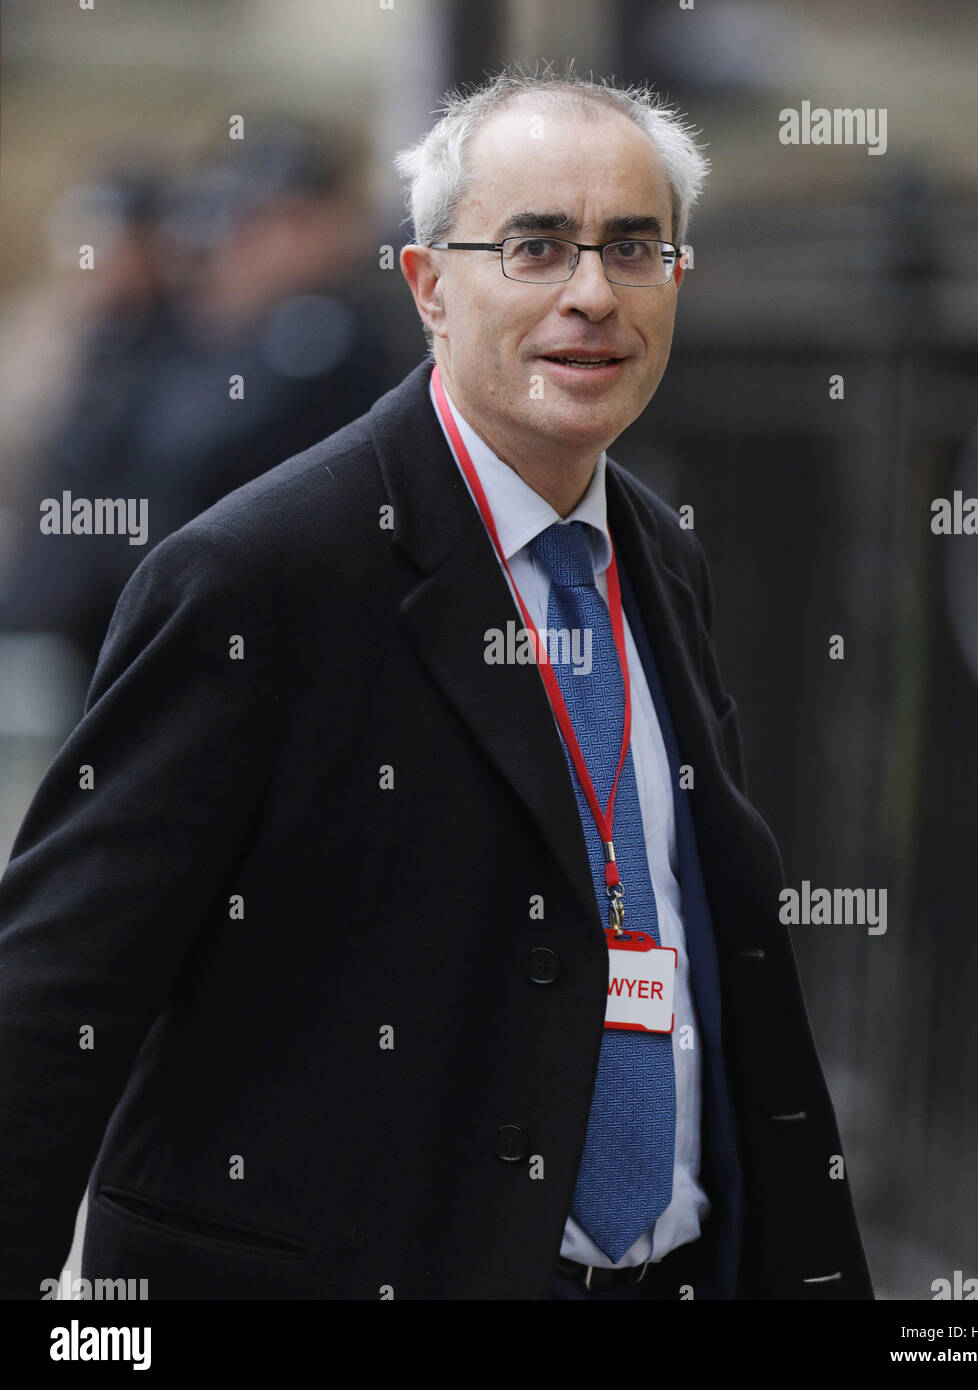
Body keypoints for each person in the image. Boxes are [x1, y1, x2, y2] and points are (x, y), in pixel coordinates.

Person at [0, 63, 873, 1300]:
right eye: (533, 247)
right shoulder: (258, 576)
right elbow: (51, 1000)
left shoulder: (660, 559)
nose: (591, 293)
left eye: (633, 248)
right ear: (427, 287)